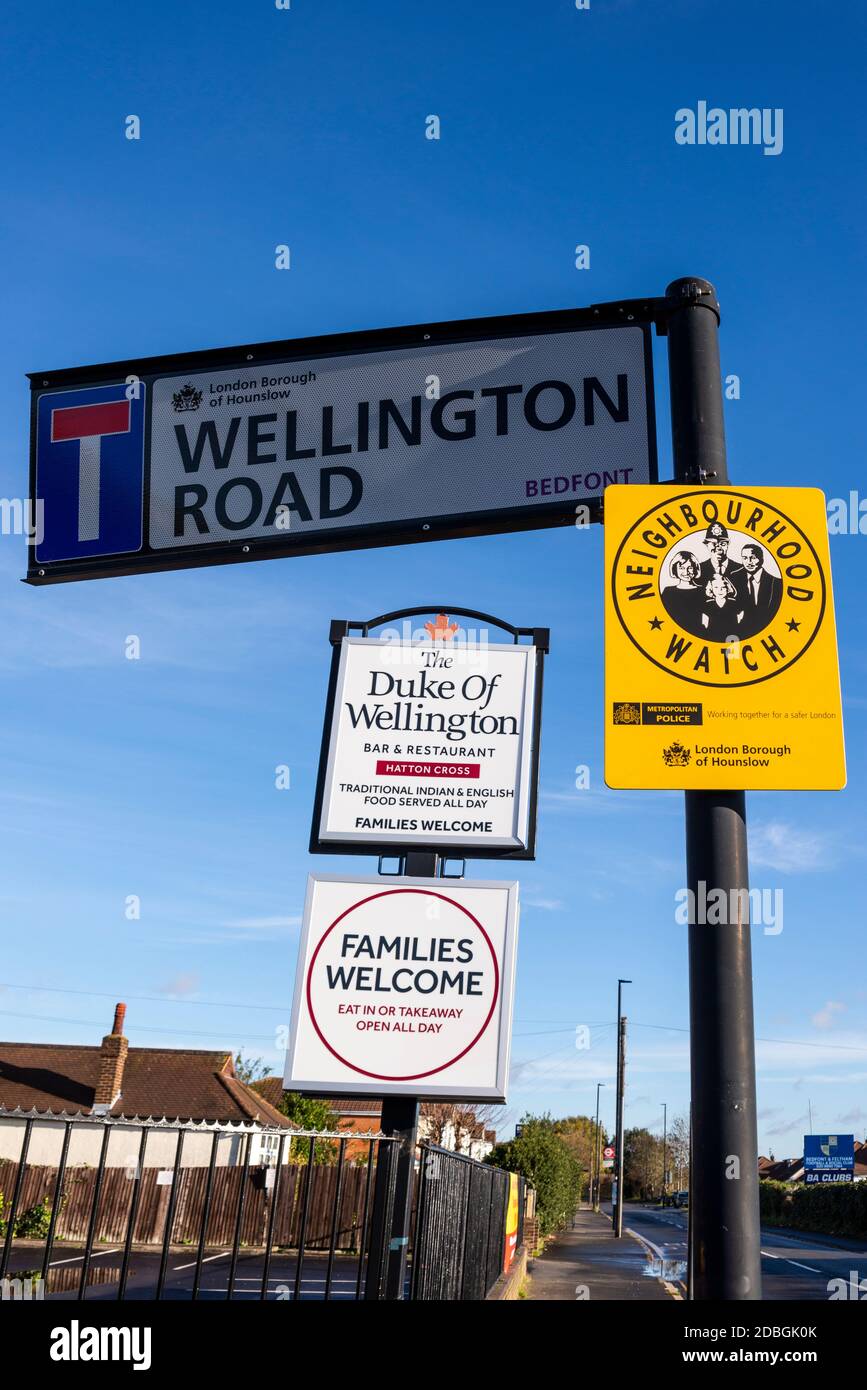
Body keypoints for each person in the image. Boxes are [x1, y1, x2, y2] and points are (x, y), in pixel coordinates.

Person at [733, 542, 783, 637]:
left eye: (753, 558)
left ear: (761, 560)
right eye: (745, 558)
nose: (749, 562)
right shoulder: (733, 578)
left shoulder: (776, 583)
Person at [661, 550, 703, 634]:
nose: (686, 572)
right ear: (674, 569)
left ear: (695, 568)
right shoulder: (668, 592)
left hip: (697, 632)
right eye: (681, 568)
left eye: (690, 568)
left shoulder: (702, 591)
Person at [696, 520, 744, 588]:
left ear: (728, 545)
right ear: (707, 545)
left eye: (722, 544)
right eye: (713, 544)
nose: (718, 548)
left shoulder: (740, 569)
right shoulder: (699, 570)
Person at [700, 572, 741, 642]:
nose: (720, 590)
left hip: (732, 639)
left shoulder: (734, 603)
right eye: (716, 587)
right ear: (711, 588)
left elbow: (739, 622)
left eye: (723, 587)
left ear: (727, 588)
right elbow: (704, 624)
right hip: (712, 638)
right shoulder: (707, 605)